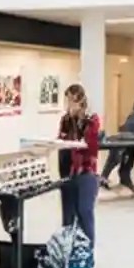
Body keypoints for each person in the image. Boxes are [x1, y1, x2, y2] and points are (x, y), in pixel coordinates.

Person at [57, 85, 101, 244]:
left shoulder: (91, 120)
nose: (67, 104)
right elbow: (62, 141)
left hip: (86, 171)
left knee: (84, 211)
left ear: (79, 101)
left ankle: (87, 251)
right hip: (67, 171)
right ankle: (68, 251)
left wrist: (75, 140)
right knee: (68, 215)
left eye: (70, 100)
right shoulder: (65, 120)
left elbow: (91, 146)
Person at [101, 97, 134, 193]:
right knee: (114, 160)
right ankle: (104, 178)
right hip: (123, 142)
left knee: (127, 159)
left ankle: (123, 178)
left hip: (129, 144)